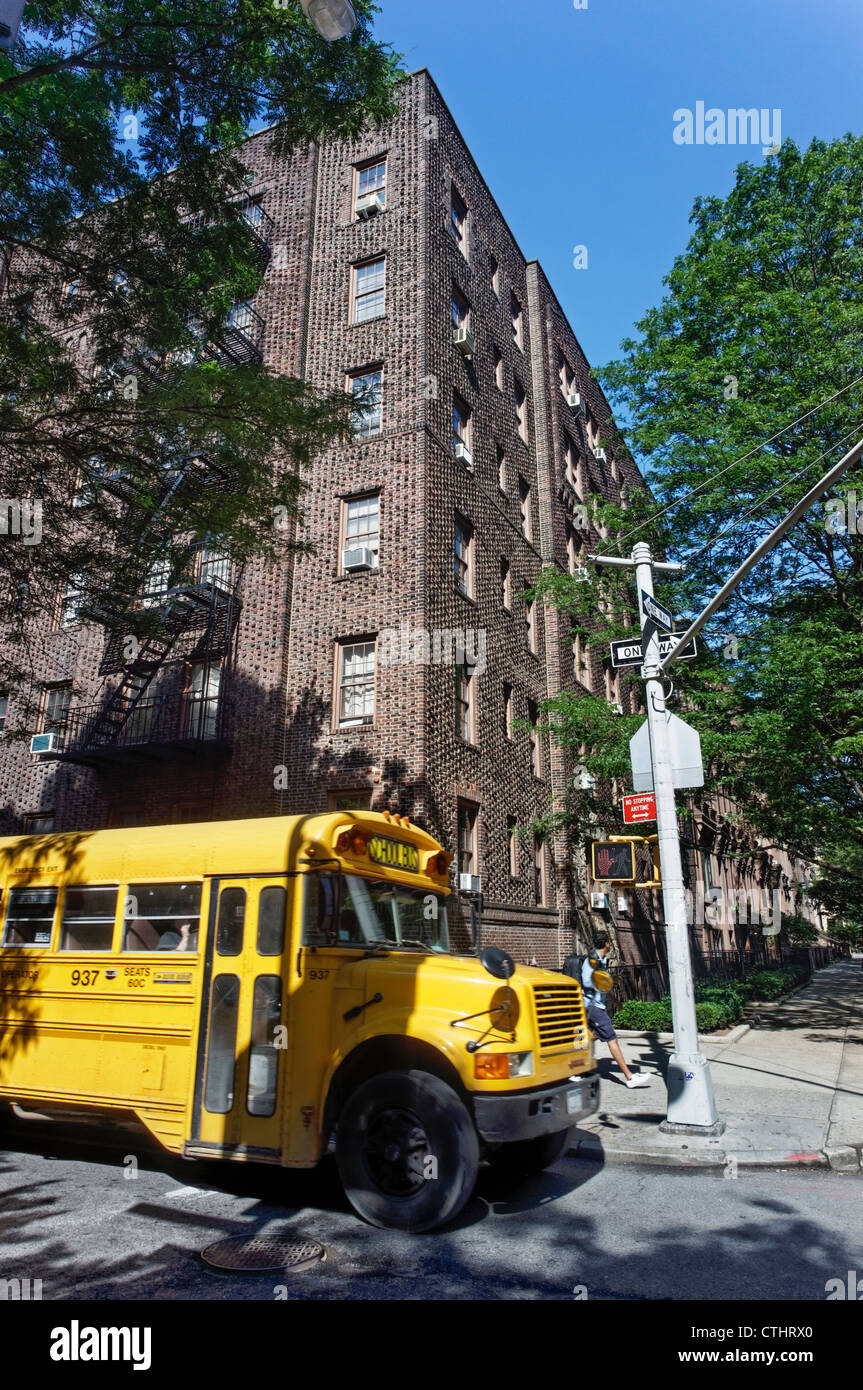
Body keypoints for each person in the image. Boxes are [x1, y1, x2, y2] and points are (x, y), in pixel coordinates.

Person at [580, 933, 649, 1088]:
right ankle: (630, 1077)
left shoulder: (600, 960)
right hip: (593, 1007)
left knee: (586, 1039)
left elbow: (602, 985)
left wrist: (615, 1000)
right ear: (607, 944)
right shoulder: (591, 960)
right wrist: (610, 980)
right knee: (612, 1039)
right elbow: (587, 981)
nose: (609, 944)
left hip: (594, 1006)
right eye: (609, 942)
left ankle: (576, 1072)